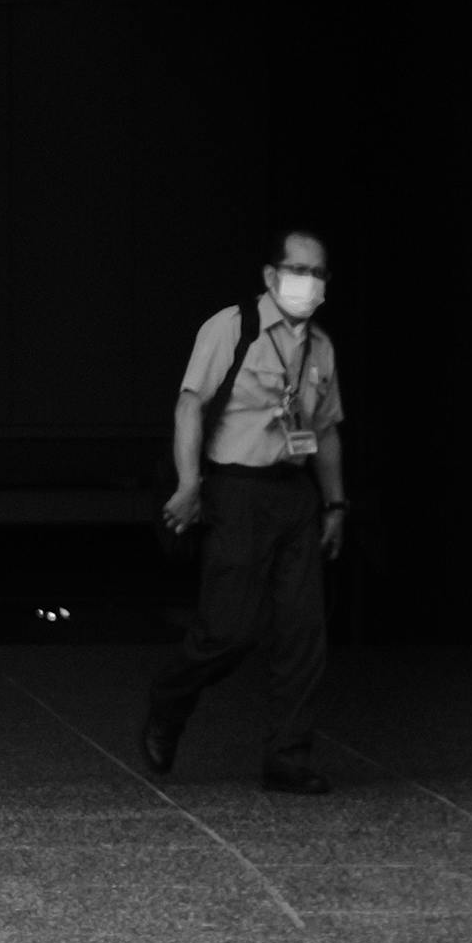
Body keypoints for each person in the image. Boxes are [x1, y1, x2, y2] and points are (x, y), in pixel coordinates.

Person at [141, 229, 346, 792]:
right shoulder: (233, 327)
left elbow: (325, 432)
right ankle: (169, 701)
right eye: (298, 269)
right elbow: (191, 404)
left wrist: (334, 503)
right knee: (229, 631)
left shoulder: (320, 348)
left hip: (294, 495)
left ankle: (288, 757)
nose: (309, 281)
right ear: (271, 274)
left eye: (319, 272)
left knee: (304, 633)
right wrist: (189, 484)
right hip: (236, 490)